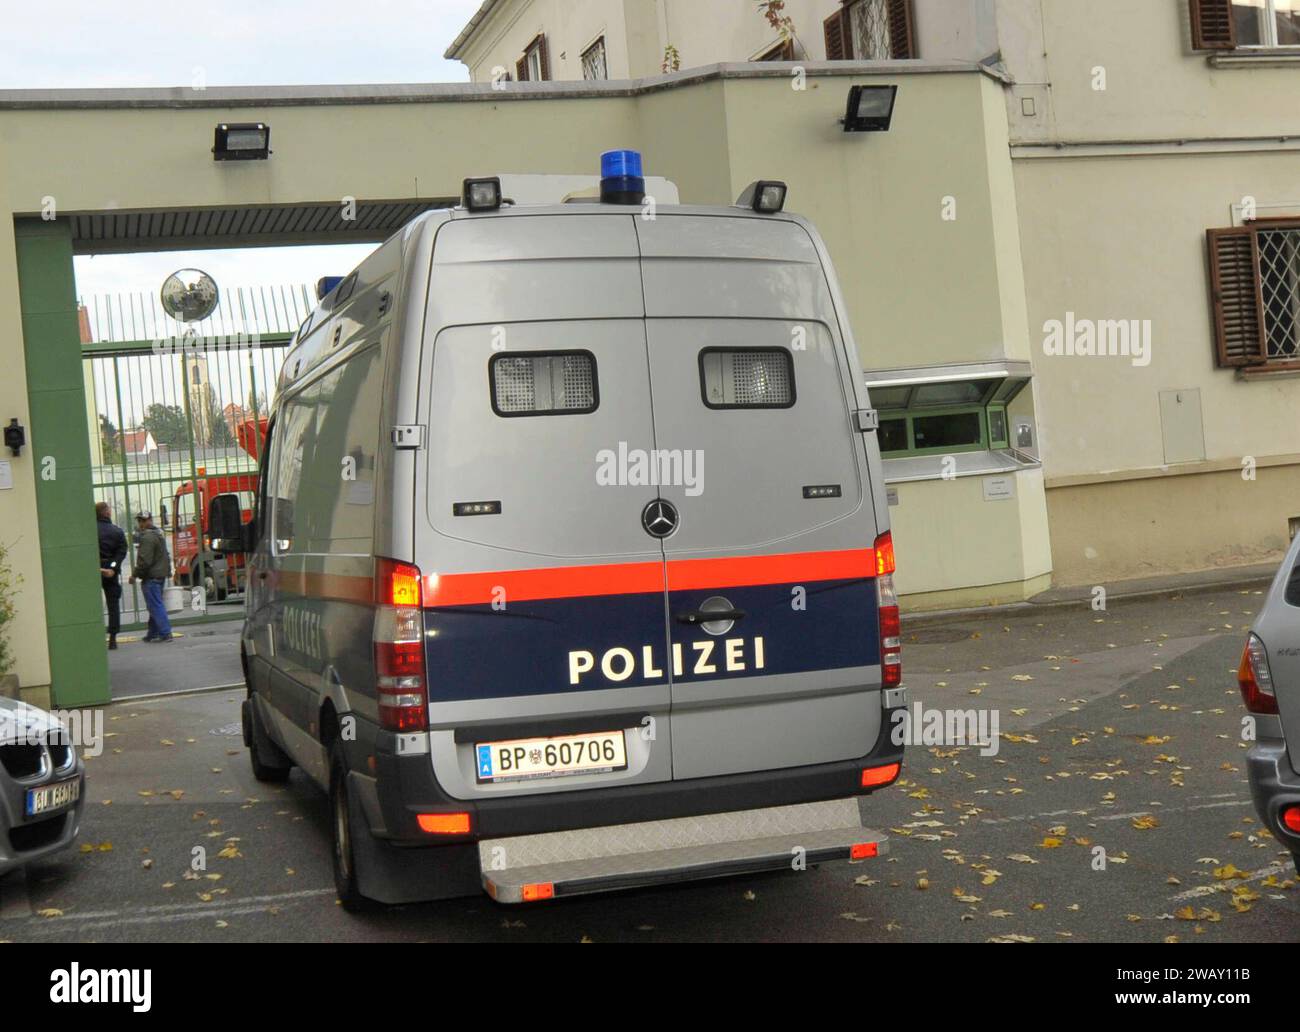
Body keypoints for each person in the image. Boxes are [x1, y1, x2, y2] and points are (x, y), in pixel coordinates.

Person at [129, 510, 173, 643]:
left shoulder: (147, 537)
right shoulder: (158, 534)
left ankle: (165, 633)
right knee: (154, 605)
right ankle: (153, 633)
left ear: (149, 520)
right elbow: (165, 555)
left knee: (155, 605)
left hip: (151, 576)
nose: (141, 523)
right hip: (160, 575)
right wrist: (168, 571)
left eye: (143, 520)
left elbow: (144, 561)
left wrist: (134, 575)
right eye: (140, 520)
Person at [96, 501, 127, 650]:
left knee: (93, 605)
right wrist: (113, 567)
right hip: (110, 571)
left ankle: (93, 635)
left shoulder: (90, 530)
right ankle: (113, 638)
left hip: (93, 569)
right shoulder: (117, 532)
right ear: (107, 513)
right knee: (113, 605)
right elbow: (121, 552)